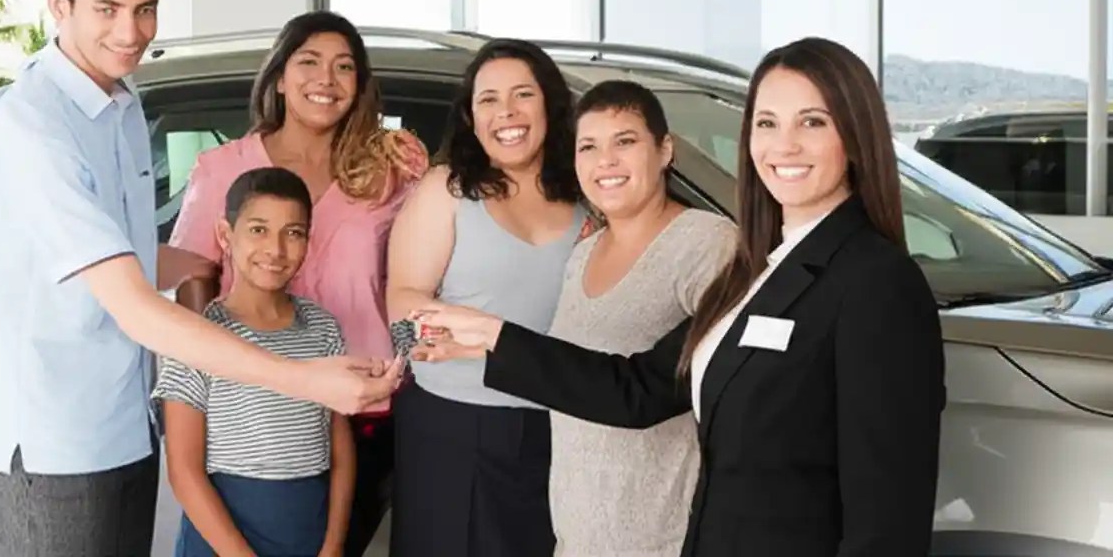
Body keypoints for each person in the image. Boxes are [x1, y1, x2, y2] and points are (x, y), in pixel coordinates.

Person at [0, 0, 402, 557]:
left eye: (146, 10)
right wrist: (305, 380)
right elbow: (137, 307)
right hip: (56, 437)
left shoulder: (120, 101)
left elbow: (142, 257)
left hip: (123, 422)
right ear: (59, 4)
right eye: (107, 9)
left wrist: (223, 261)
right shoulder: (35, 130)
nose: (131, 32)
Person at [413, 37, 946, 557]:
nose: (784, 146)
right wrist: (492, 337)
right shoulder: (764, 271)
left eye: (812, 122)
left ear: (854, 135)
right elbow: (639, 390)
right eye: (767, 123)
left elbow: (887, 523)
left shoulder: (876, 282)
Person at [170, 10, 427, 555]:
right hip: (251, 407)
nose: (325, 80)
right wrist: (201, 387)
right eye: (308, 62)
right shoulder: (222, 168)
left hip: (365, 406)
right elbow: (193, 274)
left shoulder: (389, 167)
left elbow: (424, 268)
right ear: (279, 77)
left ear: (359, 86)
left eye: (344, 67)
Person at [386, 38, 587, 557]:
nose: (507, 113)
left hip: (563, 425)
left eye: (523, 95)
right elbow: (403, 296)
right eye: (489, 100)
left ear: (550, 105)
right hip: (456, 424)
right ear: (472, 118)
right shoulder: (447, 189)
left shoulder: (589, 195)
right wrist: (426, 341)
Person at [545, 80, 735, 556]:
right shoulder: (582, 254)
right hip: (578, 539)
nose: (604, 161)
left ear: (664, 149)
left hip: (662, 541)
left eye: (624, 142)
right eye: (588, 146)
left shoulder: (706, 243)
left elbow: (724, 399)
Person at [156, 167, 354, 557]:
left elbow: (340, 451)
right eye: (258, 230)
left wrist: (332, 546)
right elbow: (184, 472)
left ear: (307, 242)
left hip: (306, 535)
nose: (276, 250)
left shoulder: (323, 330)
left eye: (293, 233)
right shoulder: (197, 338)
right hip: (222, 542)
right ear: (225, 236)